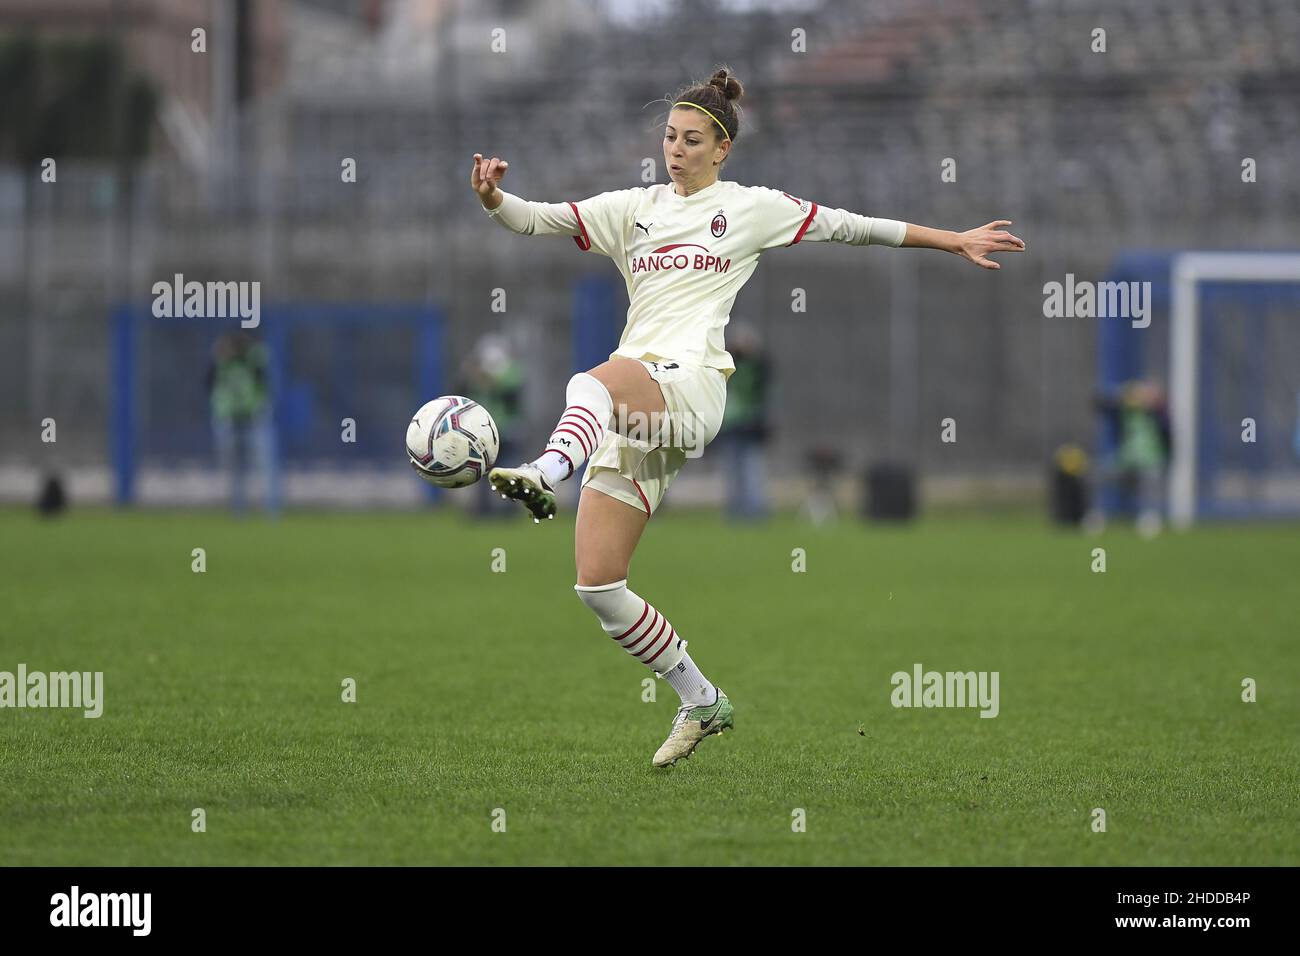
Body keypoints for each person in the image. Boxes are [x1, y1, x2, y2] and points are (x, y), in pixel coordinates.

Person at [472, 67, 1024, 767]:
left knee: (591, 381)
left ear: (722, 147)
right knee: (599, 586)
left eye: (692, 139)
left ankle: (548, 471)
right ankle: (702, 700)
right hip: (639, 410)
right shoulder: (631, 209)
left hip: (691, 388)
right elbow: (534, 217)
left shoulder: (751, 208)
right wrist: (493, 198)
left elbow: (851, 227)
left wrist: (950, 239)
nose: (676, 149)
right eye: (669, 136)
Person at [207, 332, 276, 515]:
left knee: (264, 467)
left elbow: (264, 376)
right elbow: (210, 386)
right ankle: (238, 510)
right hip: (229, 420)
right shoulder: (221, 364)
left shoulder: (254, 361)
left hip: (254, 420)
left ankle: (271, 509)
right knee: (234, 470)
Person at [716, 323, 773, 520]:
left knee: (752, 470)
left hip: (751, 428)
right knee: (731, 470)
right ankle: (735, 510)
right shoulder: (728, 364)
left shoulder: (759, 366)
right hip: (731, 427)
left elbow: (765, 394)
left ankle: (754, 510)